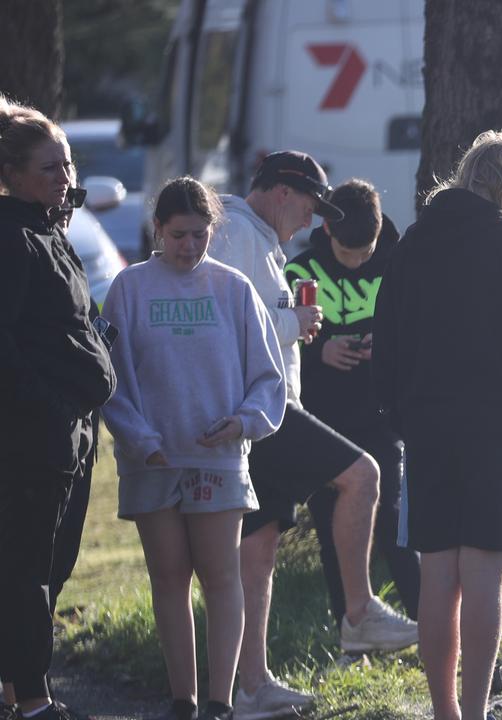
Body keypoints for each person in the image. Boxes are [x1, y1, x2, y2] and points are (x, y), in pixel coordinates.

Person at [206, 151, 417, 720]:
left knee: (259, 554)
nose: (311, 222)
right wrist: (291, 325)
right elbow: (219, 319)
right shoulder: (235, 235)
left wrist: (292, 328)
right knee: (363, 476)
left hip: (267, 406)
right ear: (280, 192)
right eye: (308, 207)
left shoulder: (260, 240)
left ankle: (250, 687)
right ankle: (358, 615)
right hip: (260, 406)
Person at [374, 129, 502, 720]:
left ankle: (444, 712)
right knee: (485, 573)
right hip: (499, 428)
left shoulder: (413, 243)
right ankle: (477, 710)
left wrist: (397, 413)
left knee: (438, 573)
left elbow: (388, 336)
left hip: (429, 425)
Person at [102, 177, 288, 720]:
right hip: (152, 459)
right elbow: (110, 378)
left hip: (218, 457)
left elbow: (267, 378)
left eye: (200, 235)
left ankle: (219, 701)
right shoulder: (129, 288)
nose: (189, 246)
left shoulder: (233, 289)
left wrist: (243, 422)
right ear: (157, 229)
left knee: (221, 575)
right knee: (169, 575)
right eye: (178, 235)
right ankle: (182, 698)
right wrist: (140, 438)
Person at [0, 94, 117, 720]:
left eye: (68, 166)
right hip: (31, 440)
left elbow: (69, 325)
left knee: (53, 565)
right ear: (11, 173)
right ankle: (34, 700)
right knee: (27, 570)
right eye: (50, 169)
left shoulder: (49, 231)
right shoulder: (10, 236)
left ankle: (17, 689)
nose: (66, 179)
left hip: (71, 435)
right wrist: (48, 409)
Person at [283, 179, 420, 624]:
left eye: (367, 252)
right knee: (329, 527)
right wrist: (319, 351)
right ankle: (350, 632)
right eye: (348, 255)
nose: (359, 263)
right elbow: (275, 339)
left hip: (382, 417)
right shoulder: (299, 272)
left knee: (396, 523)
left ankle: (424, 625)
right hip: (324, 418)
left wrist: (388, 344)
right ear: (326, 231)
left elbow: (422, 331)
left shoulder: (398, 264)